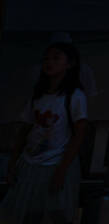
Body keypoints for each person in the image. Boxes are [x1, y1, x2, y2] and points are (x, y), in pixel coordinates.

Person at [1, 42, 89, 224]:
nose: (49, 62)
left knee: (56, 211)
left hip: (55, 161)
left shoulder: (74, 96)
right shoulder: (38, 95)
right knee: (31, 212)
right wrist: (13, 161)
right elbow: (25, 130)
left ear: (69, 64)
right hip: (32, 161)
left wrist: (62, 169)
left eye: (56, 58)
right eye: (47, 59)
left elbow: (80, 133)